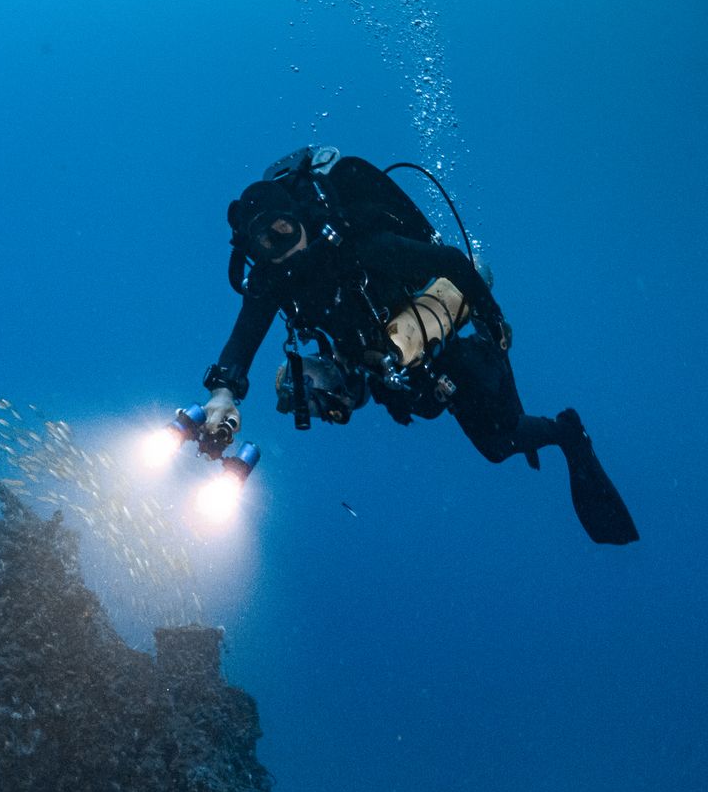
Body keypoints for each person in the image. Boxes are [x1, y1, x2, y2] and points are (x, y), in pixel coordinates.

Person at [198, 147, 637, 544]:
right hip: (379, 359)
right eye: (266, 241)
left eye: (285, 230)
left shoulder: (356, 247)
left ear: (300, 218)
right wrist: (223, 394)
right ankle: (550, 429)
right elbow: (242, 340)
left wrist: (491, 317)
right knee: (325, 392)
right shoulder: (272, 282)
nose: (282, 249)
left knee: (498, 443)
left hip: (432, 346)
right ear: (252, 250)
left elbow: (449, 262)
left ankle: (567, 432)